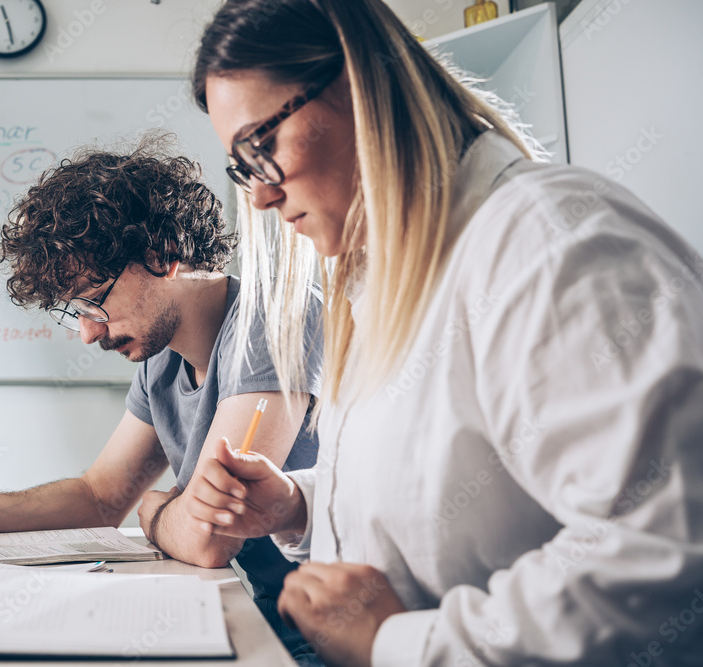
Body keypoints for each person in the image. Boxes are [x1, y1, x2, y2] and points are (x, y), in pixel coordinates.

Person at [183, 1, 703, 665]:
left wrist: (400, 642)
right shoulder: (380, 276)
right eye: (242, 166)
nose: (258, 195)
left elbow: (669, 537)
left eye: (263, 145)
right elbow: (451, 486)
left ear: (361, 87)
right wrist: (294, 506)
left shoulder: (546, 243)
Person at [0, 137, 325, 662]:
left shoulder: (269, 320)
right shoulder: (159, 356)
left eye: (94, 303)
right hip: (244, 616)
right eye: (77, 313)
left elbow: (211, 540)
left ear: (162, 255)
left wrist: (153, 509)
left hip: (317, 640)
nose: (89, 335)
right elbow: (99, 496)